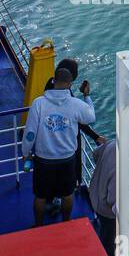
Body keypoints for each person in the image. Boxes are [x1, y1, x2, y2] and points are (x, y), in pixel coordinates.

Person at [21, 67, 96, 226]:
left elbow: (30, 133)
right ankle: (66, 223)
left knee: (40, 195)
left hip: (43, 159)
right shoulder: (76, 104)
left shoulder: (38, 103)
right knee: (67, 194)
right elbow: (91, 116)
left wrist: (26, 152)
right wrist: (86, 95)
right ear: (70, 84)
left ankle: (39, 225)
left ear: (53, 80)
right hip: (67, 159)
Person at [88, 128, 129, 256]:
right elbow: (113, 200)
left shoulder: (112, 144)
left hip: (94, 195)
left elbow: (95, 154)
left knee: (104, 232)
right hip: (107, 211)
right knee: (110, 240)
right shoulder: (123, 167)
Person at [45, 58, 105, 186]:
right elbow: (84, 117)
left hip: (51, 137)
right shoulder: (66, 95)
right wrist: (86, 95)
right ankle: (73, 188)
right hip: (68, 140)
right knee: (71, 171)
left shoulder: (50, 85)